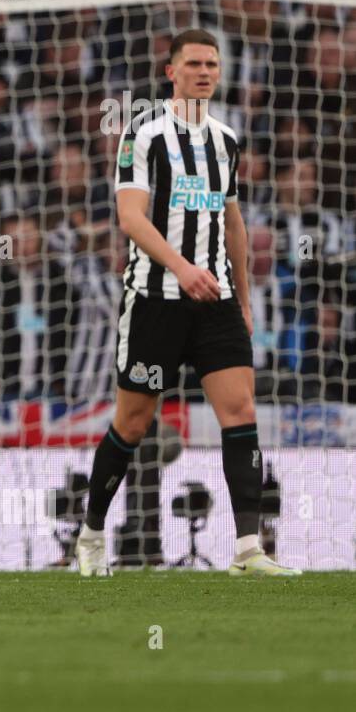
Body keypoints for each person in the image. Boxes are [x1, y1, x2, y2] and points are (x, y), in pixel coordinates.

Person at [76, 29, 299, 579]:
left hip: (216, 300)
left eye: (212, 64)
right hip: (156, 297)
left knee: (240, 412)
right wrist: (182, 268)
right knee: (132, 422)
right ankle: (91, 535)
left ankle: (248, 547)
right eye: (194, 63)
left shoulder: (226, 140)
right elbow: (130, 217)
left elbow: (233, 222)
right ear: (170, 71)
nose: (204, 72)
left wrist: (241, 298)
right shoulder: (143, 135)